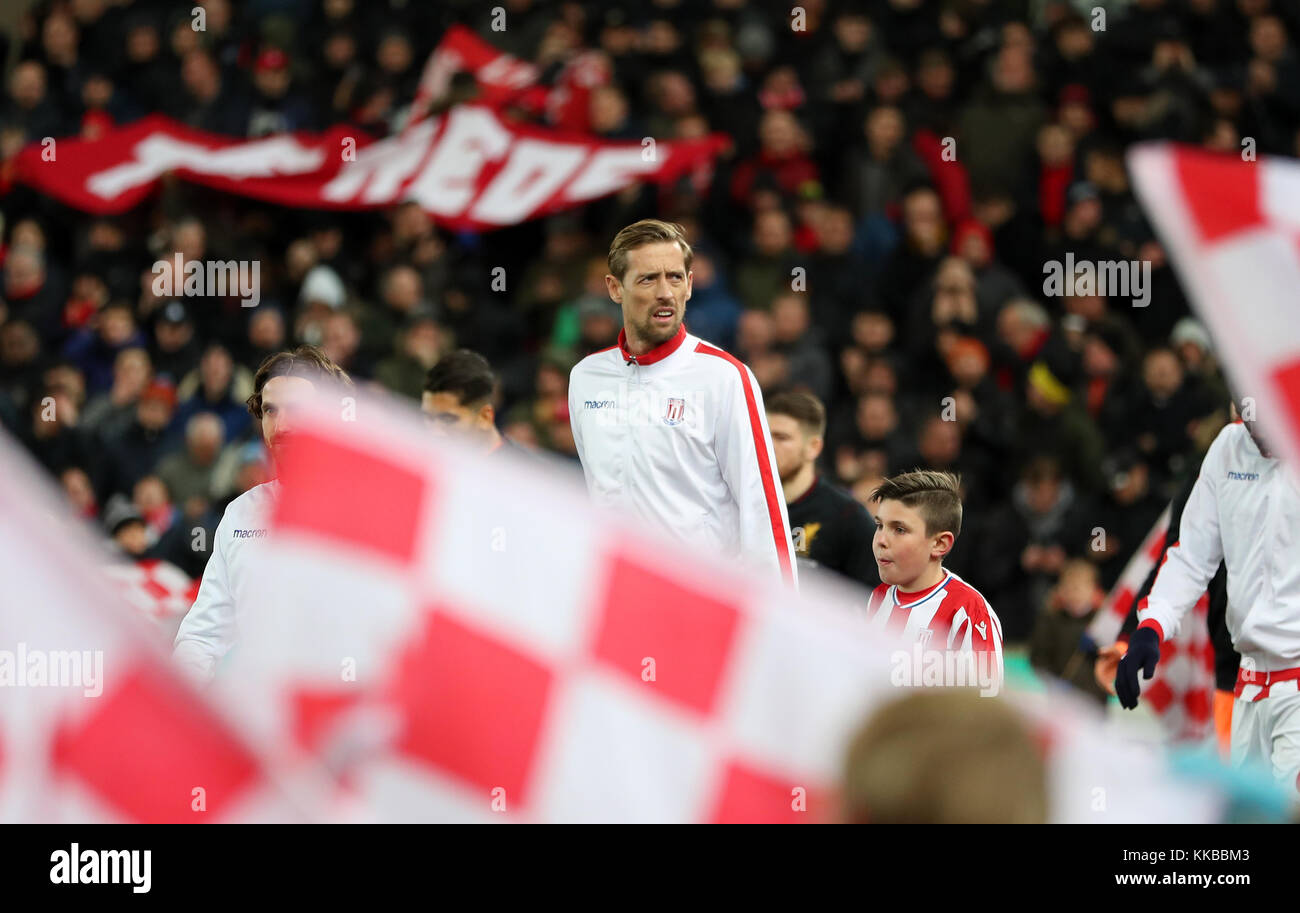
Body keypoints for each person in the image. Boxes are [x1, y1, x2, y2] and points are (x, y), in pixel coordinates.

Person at [568, 219, 797, 588]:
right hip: (617, 594)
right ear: (615, 288)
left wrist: (781, 626)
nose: (665, 293)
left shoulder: (723, 377)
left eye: (675, 278)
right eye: (647, 279)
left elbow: (761, 509)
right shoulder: (585, 378)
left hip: (698, 601)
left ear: (690, 285)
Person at [1116, 404, 1300, 791]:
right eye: (1248, 418)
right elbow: (1191, 556)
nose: (1256, 431)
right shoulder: (1227, 448)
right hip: (1247, 684)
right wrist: (1151, 627)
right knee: (1251, 818)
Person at [171, 345, 352, 682]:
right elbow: (203, 637)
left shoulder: (371, 506)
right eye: (270, 410)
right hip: (258, 716)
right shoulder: (241, 514)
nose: (281, 426)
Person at [866, 470, 1003, 686]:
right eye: (879, 526)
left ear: (940, 544)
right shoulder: (878, 597)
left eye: (899, 529)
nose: (881, 540)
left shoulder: (968, 612)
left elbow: (986, 703)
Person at [766, 390, 877, 588]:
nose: (769, 446)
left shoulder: (848, 517)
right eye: (765, 435)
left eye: (782, 438)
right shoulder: (744, 504)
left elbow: (870, 601)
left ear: (814, 447)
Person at [421, 349, 509, 454]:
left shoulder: (520, 468)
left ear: (485, 417)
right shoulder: (425, 458)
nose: (434, 432)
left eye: (447, 419)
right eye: (428, 418)